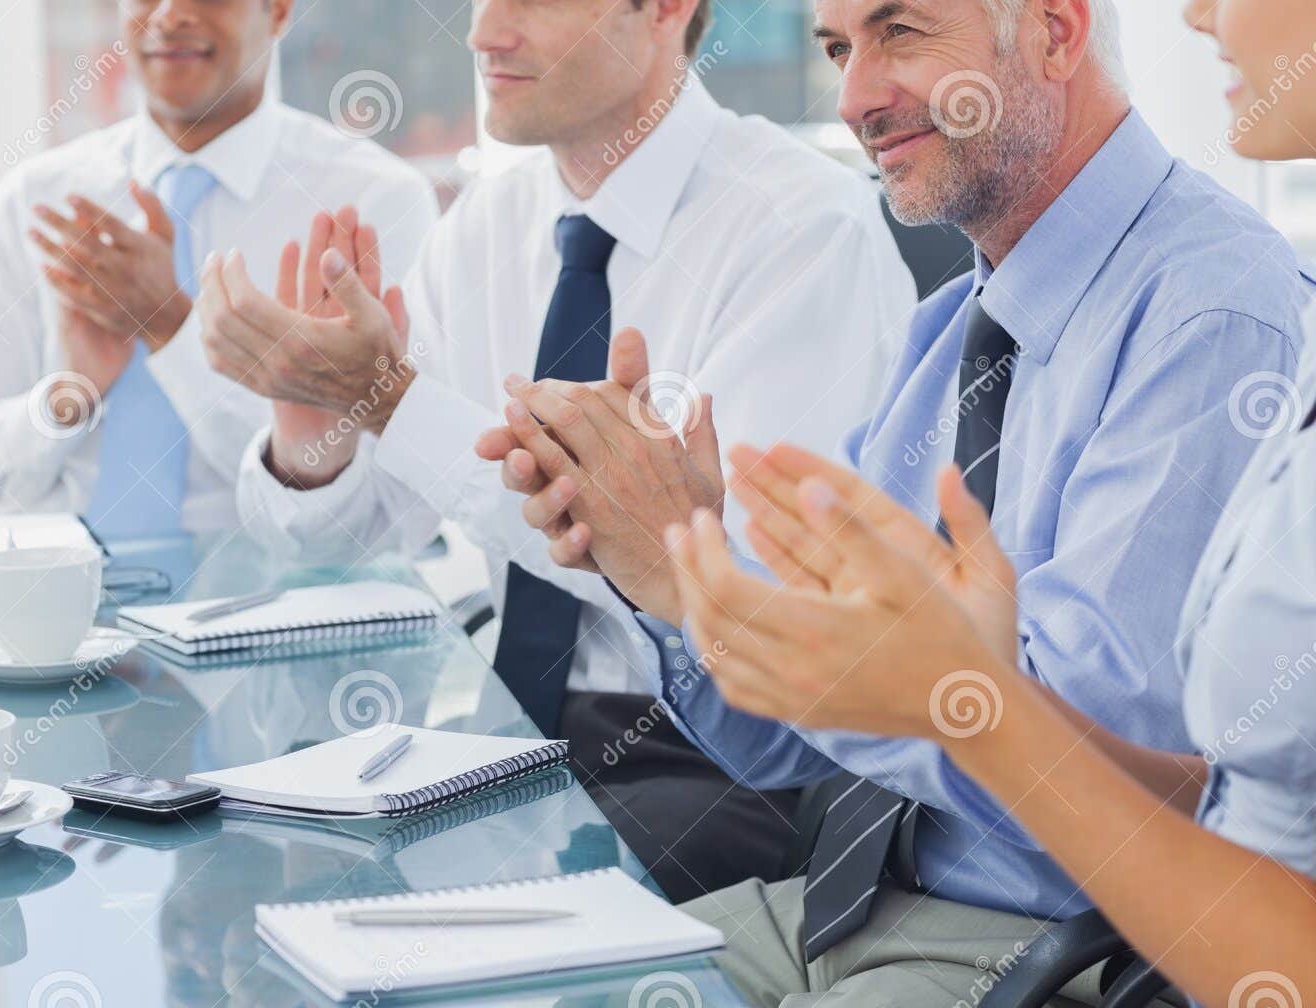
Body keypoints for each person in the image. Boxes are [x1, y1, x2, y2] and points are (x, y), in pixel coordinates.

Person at [479, 0, 1312, 1008]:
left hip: (1051, 957)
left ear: (1054, 34)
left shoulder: (1210, 311)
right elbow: (783, 741)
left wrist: (882, 668)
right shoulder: (950, 331)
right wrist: (680, 575)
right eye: (836, 49)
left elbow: (1082, 798)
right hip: (847, 910)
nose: (855, 97)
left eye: (900, 34)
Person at [194, 0, 917, 901]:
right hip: (511, 728)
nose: (483, 33)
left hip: (722, 760)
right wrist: (316, 424)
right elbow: (339, 536)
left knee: (408, 912)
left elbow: (719, 588)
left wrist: (386, 399)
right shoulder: (486, 226)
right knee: (258, 858)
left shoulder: (803, 230)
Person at [0, 0, 437, 538]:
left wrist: (169, 327)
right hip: (58, 597)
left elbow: (384, 514)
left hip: (269, 601)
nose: (168, 15)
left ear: (278, 11)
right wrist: (69, 395)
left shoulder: (373, 200)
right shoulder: (40, 199)